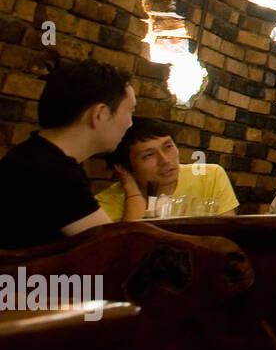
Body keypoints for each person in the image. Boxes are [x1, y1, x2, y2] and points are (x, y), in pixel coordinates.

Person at [0, 58, 135, 246]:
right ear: (100, 114)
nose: (130, 123)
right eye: (130, 111)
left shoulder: (32, 156)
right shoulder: (53, 173)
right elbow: (115, 252)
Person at [95, 117, 240, 220]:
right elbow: (127, 253)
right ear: (124, 167)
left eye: (168, 147)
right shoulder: (106, 204)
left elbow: (226, 237)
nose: (165, 160)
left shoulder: (210, 176)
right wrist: (132, 192)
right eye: (149, 155)